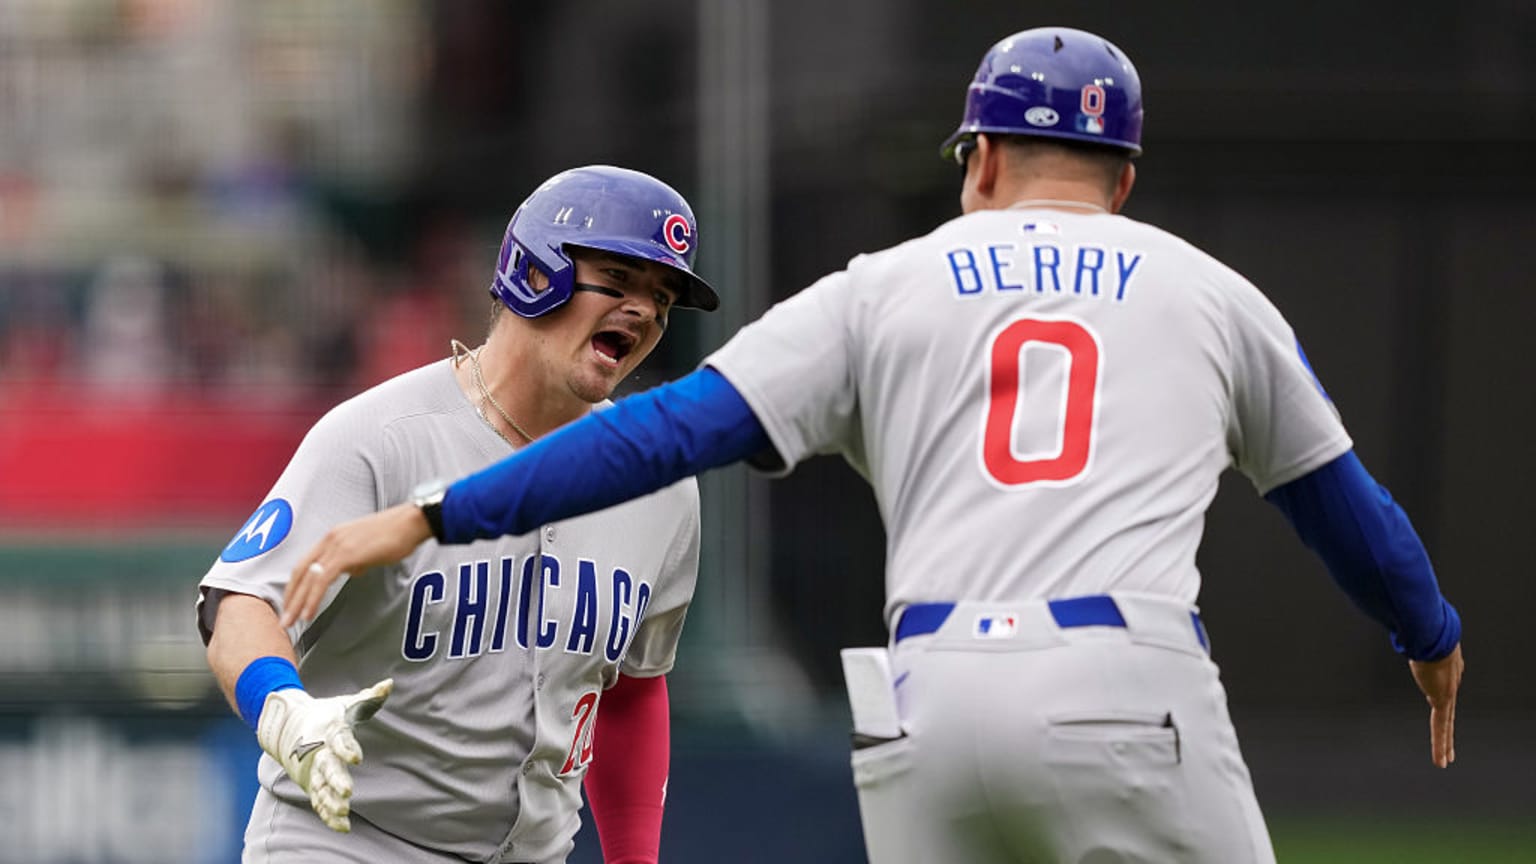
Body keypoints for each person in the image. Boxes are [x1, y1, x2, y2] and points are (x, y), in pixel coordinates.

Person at [285, 27, 1465, 864]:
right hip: (1127, 689)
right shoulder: (1214, 295)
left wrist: (439, 512)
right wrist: (1432, 638)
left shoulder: (884, 286)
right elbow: (1351, 514)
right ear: (1126, 180)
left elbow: (662, 432)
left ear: (982, 161)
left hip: (930, 703)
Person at [197, 165, 719, 863]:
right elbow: (237, 600)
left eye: (661, 298)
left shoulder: (662, 487)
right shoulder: (382, 436)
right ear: (537, 272)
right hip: (348, 841)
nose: (645, 313)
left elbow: (632, 686)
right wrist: (281, 706)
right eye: (619, 281)